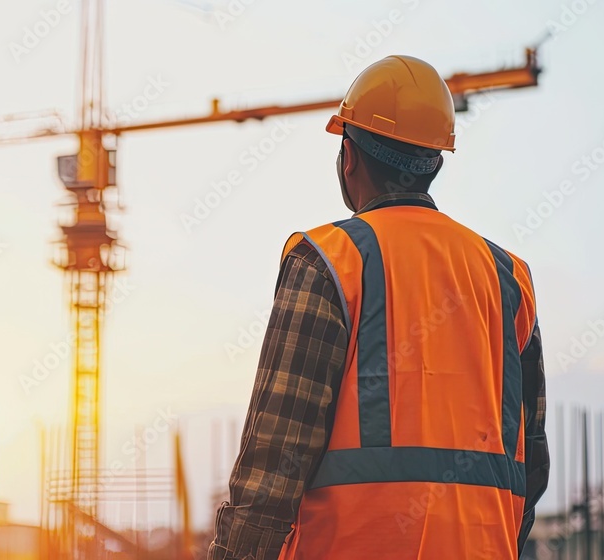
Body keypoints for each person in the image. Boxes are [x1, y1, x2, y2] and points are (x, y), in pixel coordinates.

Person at [207, 55, 550, 559]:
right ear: (436, 162)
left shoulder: (328, 260)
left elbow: (274, 459)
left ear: (348, 156)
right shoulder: (508, 277)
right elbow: (531, 463)